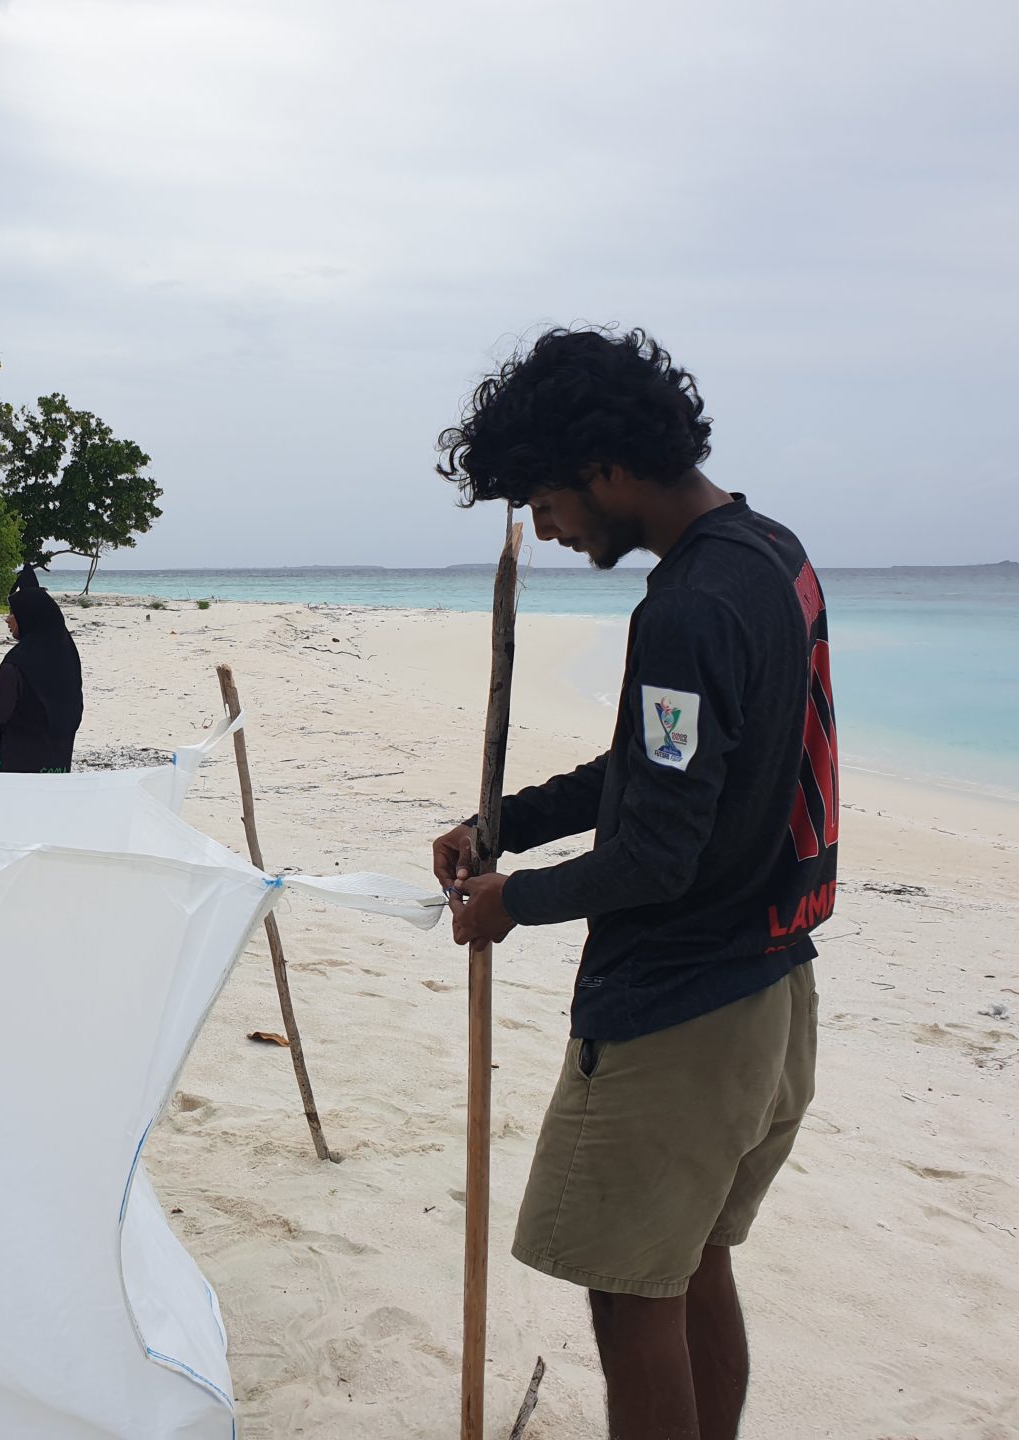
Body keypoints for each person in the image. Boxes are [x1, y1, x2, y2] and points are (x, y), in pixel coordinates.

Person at [429, 328, 835, 1440]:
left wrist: (517, 901)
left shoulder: (687, 611)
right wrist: (500, 823)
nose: (549, 529)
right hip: (771, 992)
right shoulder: (773, 559)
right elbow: (655, 776)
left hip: (680, 1016)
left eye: (549, 502)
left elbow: (659, 854)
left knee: (632, 1289)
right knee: (692, 1260)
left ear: (606, 468)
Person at [0, 575, 83, 773]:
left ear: (28, 617)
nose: (7, 619)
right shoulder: (67, 653)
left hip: (21, 759)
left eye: (13, 613)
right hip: (58, 757)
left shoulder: (16, 662)